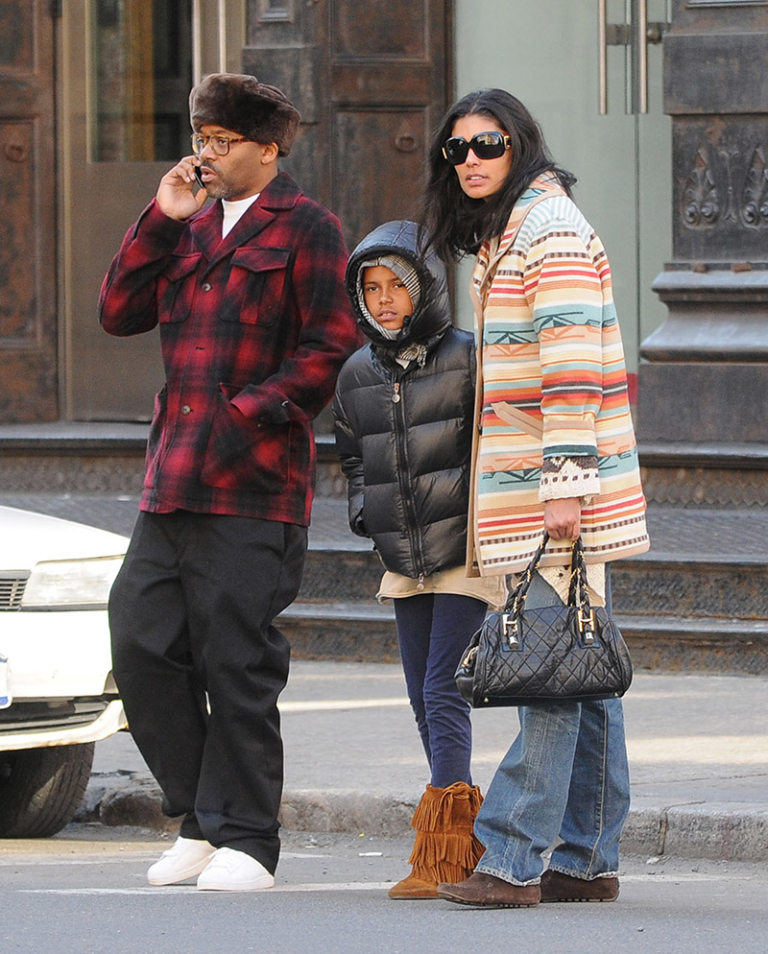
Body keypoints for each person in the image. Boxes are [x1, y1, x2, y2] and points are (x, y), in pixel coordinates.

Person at [99, 73, 359, 892]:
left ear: (268, 148)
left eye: (221, 141)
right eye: (200, 138)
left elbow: (331, 346)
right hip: (172, 476)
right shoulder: (188, 223)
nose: (205, 154)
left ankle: (248, 838)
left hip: (254, 482)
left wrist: (247, 414)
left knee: (235, 662)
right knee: (140, 644)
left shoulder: (309, 228)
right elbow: (118, 311)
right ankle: (200, 818)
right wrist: (160, 217)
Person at [418, 88, 650, 908]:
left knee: (547, 666)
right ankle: (586, 858)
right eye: (457, 149)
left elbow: (572, 366)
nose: (471, 160)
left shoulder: (547, 228)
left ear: (520, 145)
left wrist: (566, 486)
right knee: (578, 663)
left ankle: (513, 858)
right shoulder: (514, 230)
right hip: (542, 489)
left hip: (553, 493)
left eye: (488, 144)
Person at [332, 220, 506, 899]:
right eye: (371, 288)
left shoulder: (468, 355)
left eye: (397, 286)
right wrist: (364, 510)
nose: (383, 300)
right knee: (418, 695)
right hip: (404, 554)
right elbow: (353, 456)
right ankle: (457, 839)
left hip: (464, 549)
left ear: (426, 288)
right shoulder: (357, 372)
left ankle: (446, 854)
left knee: (441, 688)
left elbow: (498, 439)